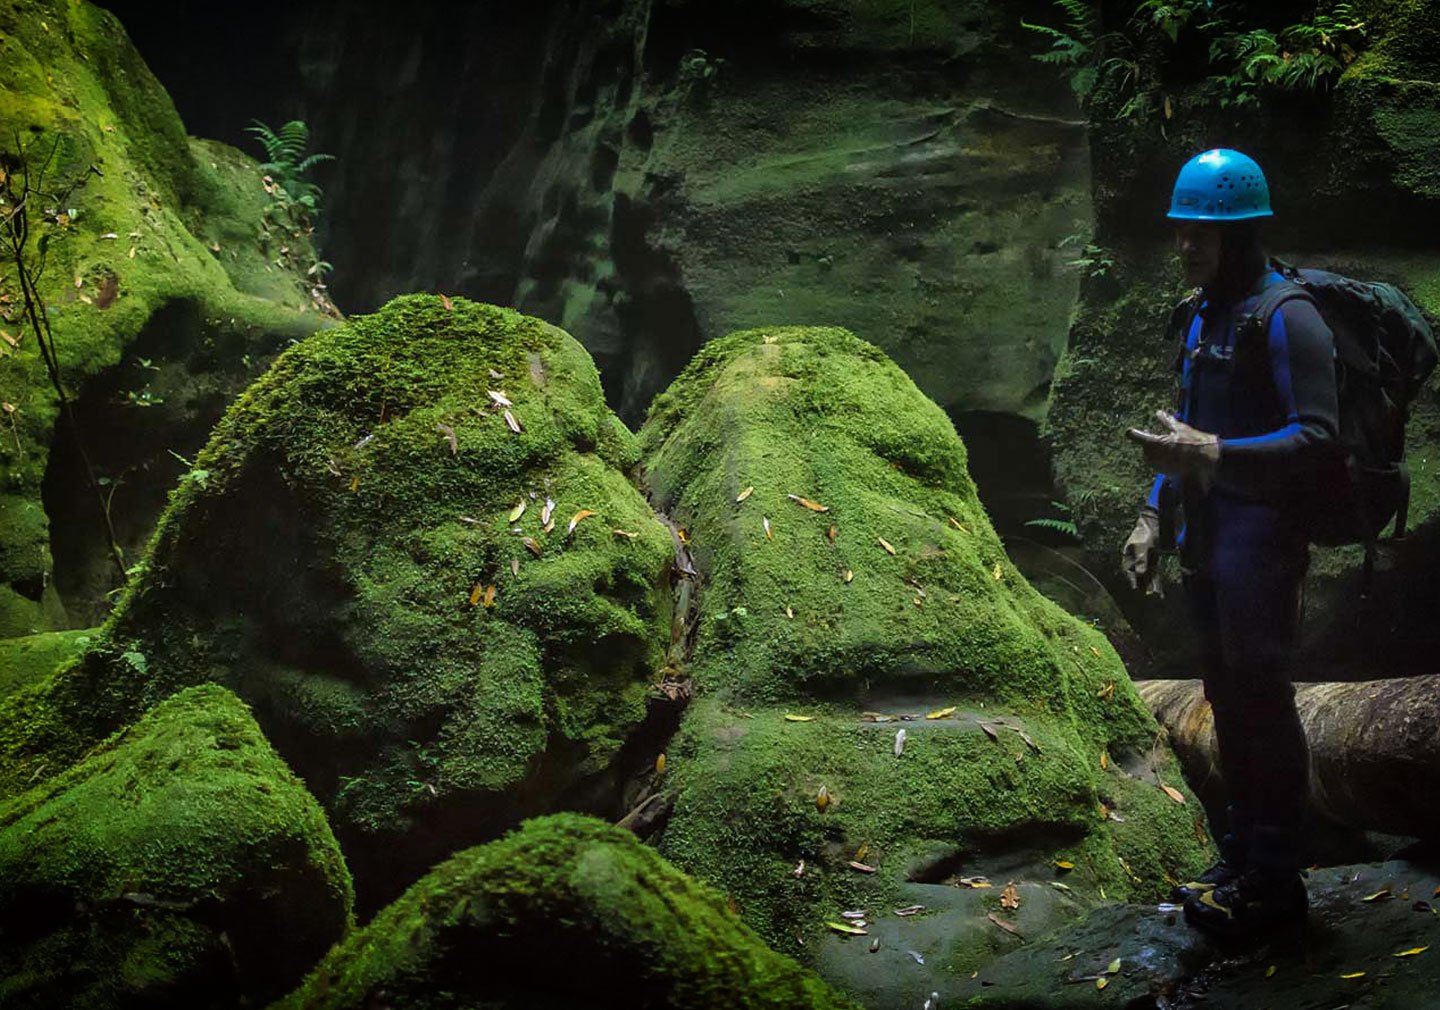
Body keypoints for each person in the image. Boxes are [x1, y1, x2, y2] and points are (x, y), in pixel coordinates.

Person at [1121, 148, 1339, 936]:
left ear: (1243, 234)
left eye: (1202, 235)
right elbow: (1181, 432)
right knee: (1226, 701)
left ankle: (1278, 878)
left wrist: (1218, 454)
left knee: (1262, 703)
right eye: (1181, 232)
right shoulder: (1203, 316)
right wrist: (1152, 516)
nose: (1185, 247)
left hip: (1263, 543)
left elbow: (1319, 438)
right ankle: (1245, 855)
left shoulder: (1290, 317)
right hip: (1206, 545)